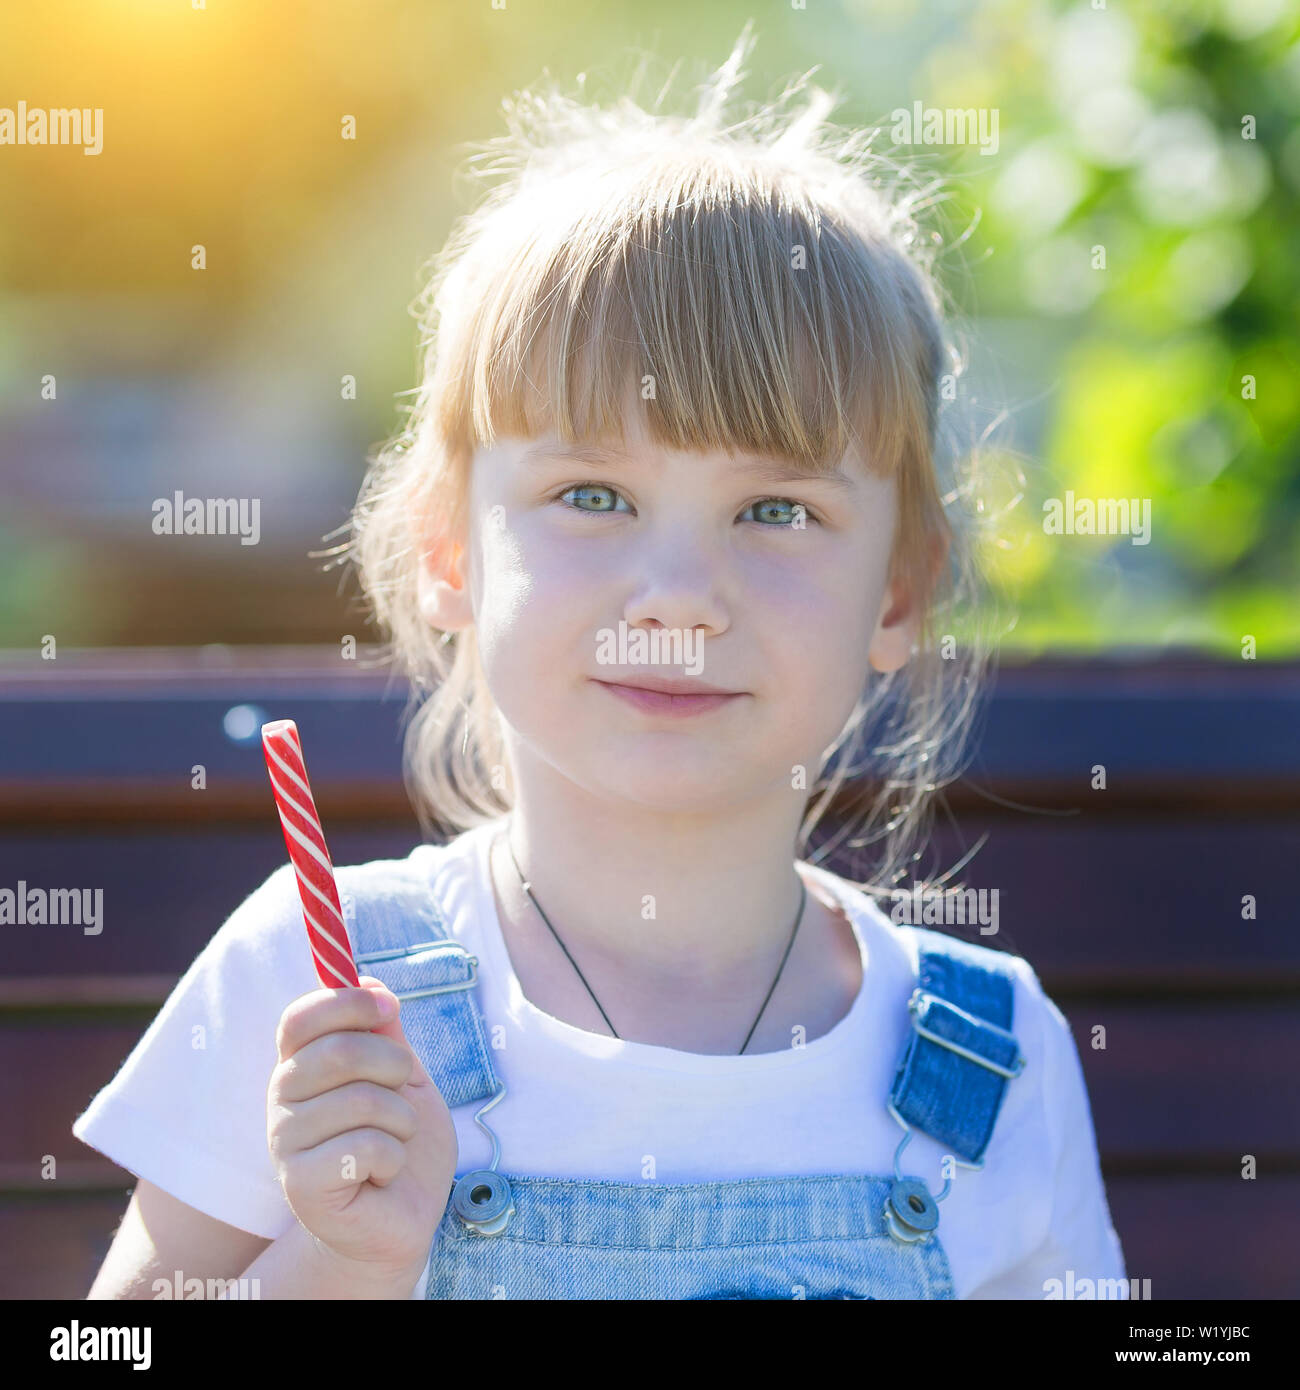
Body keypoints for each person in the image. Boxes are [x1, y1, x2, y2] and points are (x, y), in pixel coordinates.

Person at [73, 27, 1127, 1300]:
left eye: (777, 510)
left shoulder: (990, 1057)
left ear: (897, 586)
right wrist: (335, 1262)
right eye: (591, 492)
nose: (678, 593)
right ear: (448, 553)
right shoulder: (318, 976)